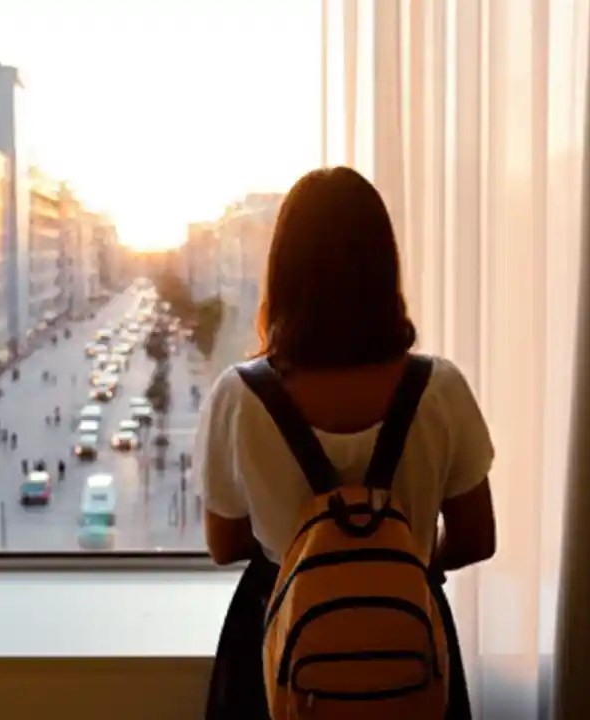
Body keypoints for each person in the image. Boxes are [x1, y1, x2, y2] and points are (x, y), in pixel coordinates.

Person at [194, 167, 495, 719]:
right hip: (407, 637)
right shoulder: (441, 389)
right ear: (385, 269)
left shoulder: (238, 397)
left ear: (282, 274)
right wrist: (403, 561)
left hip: (278, 636)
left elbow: (224, 544)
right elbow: (477, 537)